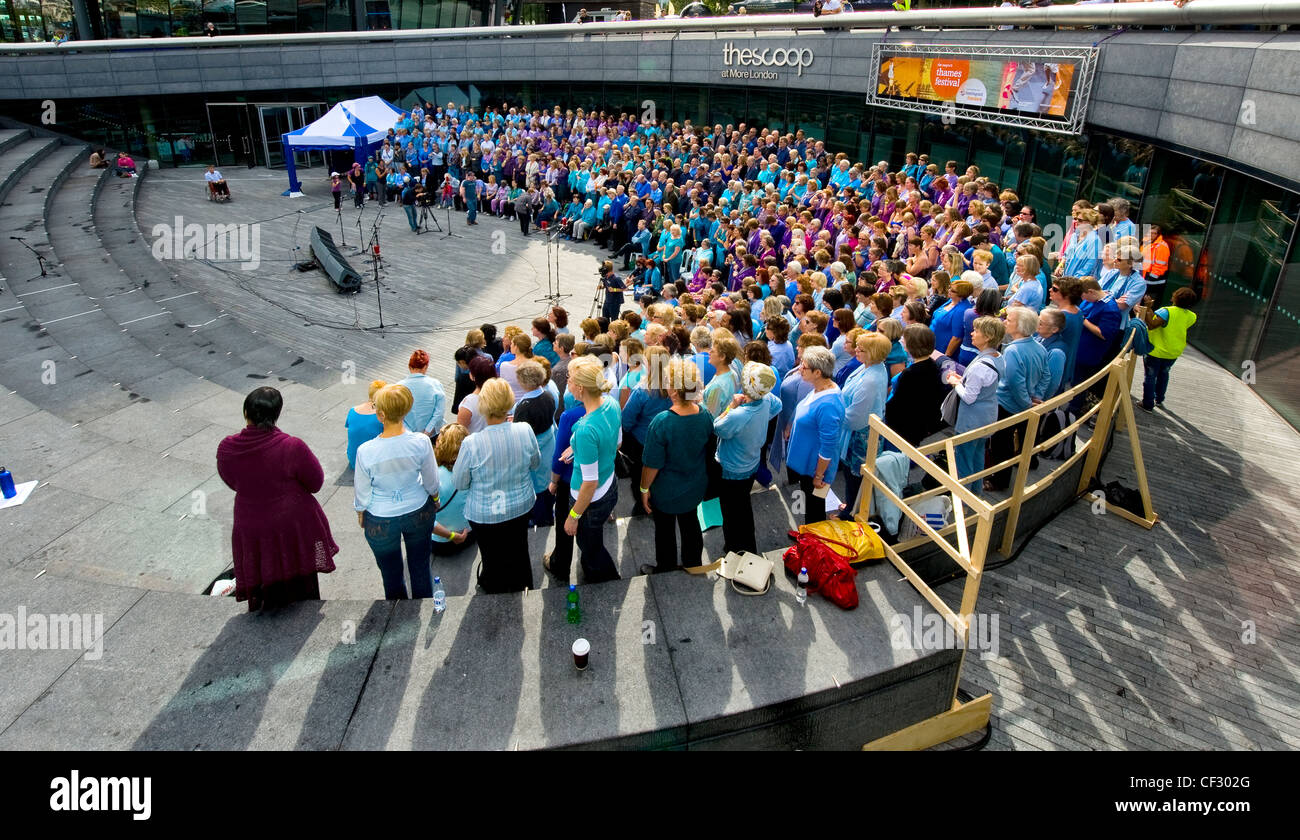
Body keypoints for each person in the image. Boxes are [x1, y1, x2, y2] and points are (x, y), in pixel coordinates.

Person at [217, 387, 337, 611]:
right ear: (276, 414)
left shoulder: (227, 448)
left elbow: (231, 480)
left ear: (246, 412)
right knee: (301, 576)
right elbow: (315, 482)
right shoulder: (292, 446)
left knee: (262, 568)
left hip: (251, 521)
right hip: (293, 524)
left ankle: (267, 606)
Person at [353, 384, 441, 600]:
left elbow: (362, 491)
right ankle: (423, 603)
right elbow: (431, 480)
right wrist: (435, 497)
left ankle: (397, 613)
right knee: (420, 566)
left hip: (381, 517)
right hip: (418, 509)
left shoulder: (366, 451)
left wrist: (361, 511)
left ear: (381, 415)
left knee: (390, 574)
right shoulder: (420, 442)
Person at [453, 378, 541, 593]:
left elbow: (459, 482)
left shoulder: (471, 443)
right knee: (520, 547)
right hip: (520, 505)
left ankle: (493, 586)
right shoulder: (524, 430)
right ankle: (523, 582)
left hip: (484, 513)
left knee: (491, 555)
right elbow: (535, 463)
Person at [640, 359, 714, 573]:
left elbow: (651, 464)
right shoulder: (705, 414)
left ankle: (666, 567)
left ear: (673, 389)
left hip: (666, 490)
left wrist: (644, 489)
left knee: (664, 529)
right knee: (691, 524)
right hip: (695, 485)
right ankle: (693, 563)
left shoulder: (662, 422)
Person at [562, 355, 623, 584]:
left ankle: (604, 578)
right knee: (592, 540)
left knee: (590, 546)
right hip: (610, 486)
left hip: (589, 501)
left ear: (579, 388)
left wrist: (573, 516)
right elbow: (613, 442)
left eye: (569, 378)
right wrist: (576, 447)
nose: (566, 381)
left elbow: (589, 483)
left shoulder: (586, 429)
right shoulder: (610, 403)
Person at [713, 362, 782, 555]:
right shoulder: (766, 399)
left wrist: (732, 405)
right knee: (743, 506)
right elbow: (779, 405)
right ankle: (748, 546)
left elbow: (717, 426)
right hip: (751, 464)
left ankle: (734, 549)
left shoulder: (739, 415)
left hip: (732, 469)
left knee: (730, 512)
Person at [987, 307, 1047, 492]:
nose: (1005, 321)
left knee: (1001, 445)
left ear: (1020, 327)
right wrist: (1036, 397)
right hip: (1024, 402)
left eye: (1009, 320)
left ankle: (999, 482)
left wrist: (1027, 404)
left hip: (1008, 405)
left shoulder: (1012, 350)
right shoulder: (1040, 347)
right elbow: (1046, 376)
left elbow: (1015, 382)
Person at [785, 346, 845, 525]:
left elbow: (828, 446)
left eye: (804, 366)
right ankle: (808, 535)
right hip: (807, 466)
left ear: (817, 372)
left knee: (814, 509)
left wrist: (819, 476)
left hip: (815, 471)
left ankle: (813, 543)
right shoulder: (821, 387)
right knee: (808, 503)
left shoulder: (829, 405)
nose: (799, 369)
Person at [945, 317, 1005, 494]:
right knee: (978, 457)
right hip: (988, 415)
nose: (972, 333)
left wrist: (955, 383)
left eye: (976, 331)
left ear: (987, 337)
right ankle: (976, 494)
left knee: (963, 460)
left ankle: (963, 501)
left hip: (971, 420)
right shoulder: (999, 356)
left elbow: (969, 398)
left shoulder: (981, 365)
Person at [838, 332, 891, 515]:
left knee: (855, 478)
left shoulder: (870, 380)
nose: (856, 350)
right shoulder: (872, 366)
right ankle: (852, 505)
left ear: (874, 353)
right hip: (859, 429)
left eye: (861, 349)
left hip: (859, 436)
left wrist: (834, 417)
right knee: (854, 479)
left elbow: (854, 419)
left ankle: (851, 514)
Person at [621, 345, 673, 517]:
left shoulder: (642, 390)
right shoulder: (675, 386)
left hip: (643, 441)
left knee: (640, 475)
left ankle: (643, 504)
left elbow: (626, 420)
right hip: (668, 438)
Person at [1137, 286, 1198, 412]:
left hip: (1156, 350)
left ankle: (1148, 403)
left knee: (1150, 376)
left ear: (1176, 297)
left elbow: (1153, 325)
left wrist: (1148, 307)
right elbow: (1163, 322)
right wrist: (1151, 312)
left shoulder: (1166, 311)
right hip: (1173, 351)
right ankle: (1159, 399)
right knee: (1164, 374)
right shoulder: (1192, 316)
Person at [886, 325, 946, 449]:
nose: (902, 341)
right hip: (921, 420)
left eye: (905, 339)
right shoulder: (932, 364)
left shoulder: (911, 373)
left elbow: (898, 404)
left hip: (906, 425)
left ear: (912, 344)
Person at [431, 423, 474, 556]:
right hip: (470, 534)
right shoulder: (474, 470)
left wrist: (452, 536)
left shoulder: (433, 477)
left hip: (441, 543)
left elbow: (424, 520)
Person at [400, 349, 447, 439]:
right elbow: (439, 413)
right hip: (432, 435)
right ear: (426, 366)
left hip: (408, 436)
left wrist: (410, 433)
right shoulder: (435, 384)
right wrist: (427, 432)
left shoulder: (398, 387)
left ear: (409, 366)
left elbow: (397, 414)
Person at [345, 379, 386, 470]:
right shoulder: (383, 416)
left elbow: (350, 427)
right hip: (372, 464)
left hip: (354, 460)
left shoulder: (353, 410)